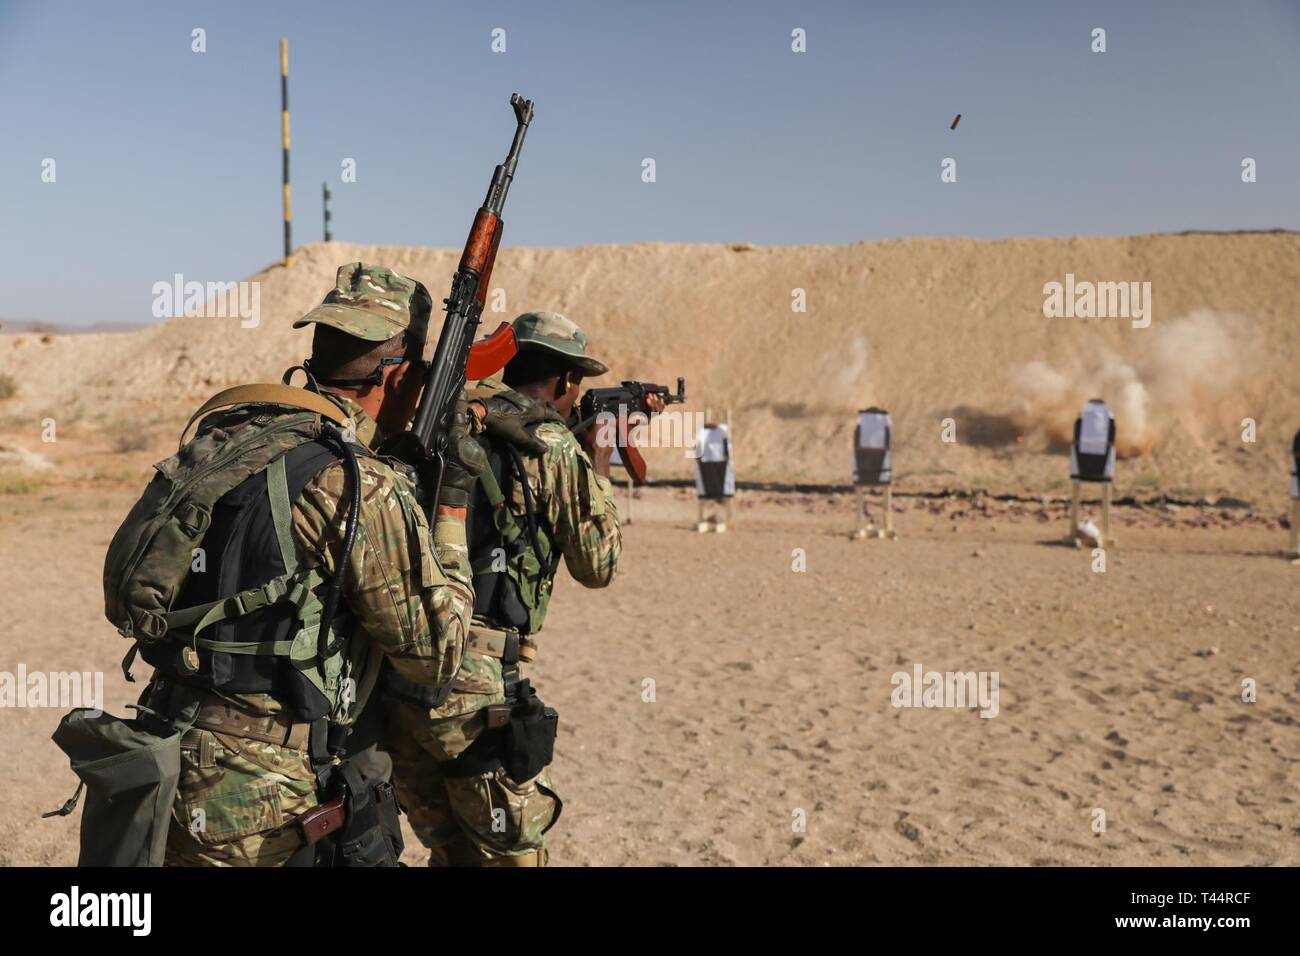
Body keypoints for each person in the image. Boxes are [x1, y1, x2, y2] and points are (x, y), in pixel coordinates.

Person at [109, 262, 482, 866]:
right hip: (262, 802)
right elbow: (436, 652)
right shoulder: (356, 482)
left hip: (166, 749)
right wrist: (452, 512)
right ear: (402, 374)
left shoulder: (233, 439)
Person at [382, 310, 656, 866]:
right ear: (564, 382)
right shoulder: (551, 444)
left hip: (401, 672)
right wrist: (597, 460)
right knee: (512, 855)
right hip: (473, 680)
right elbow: (598, 563)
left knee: (452, 851)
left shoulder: (451, 422)